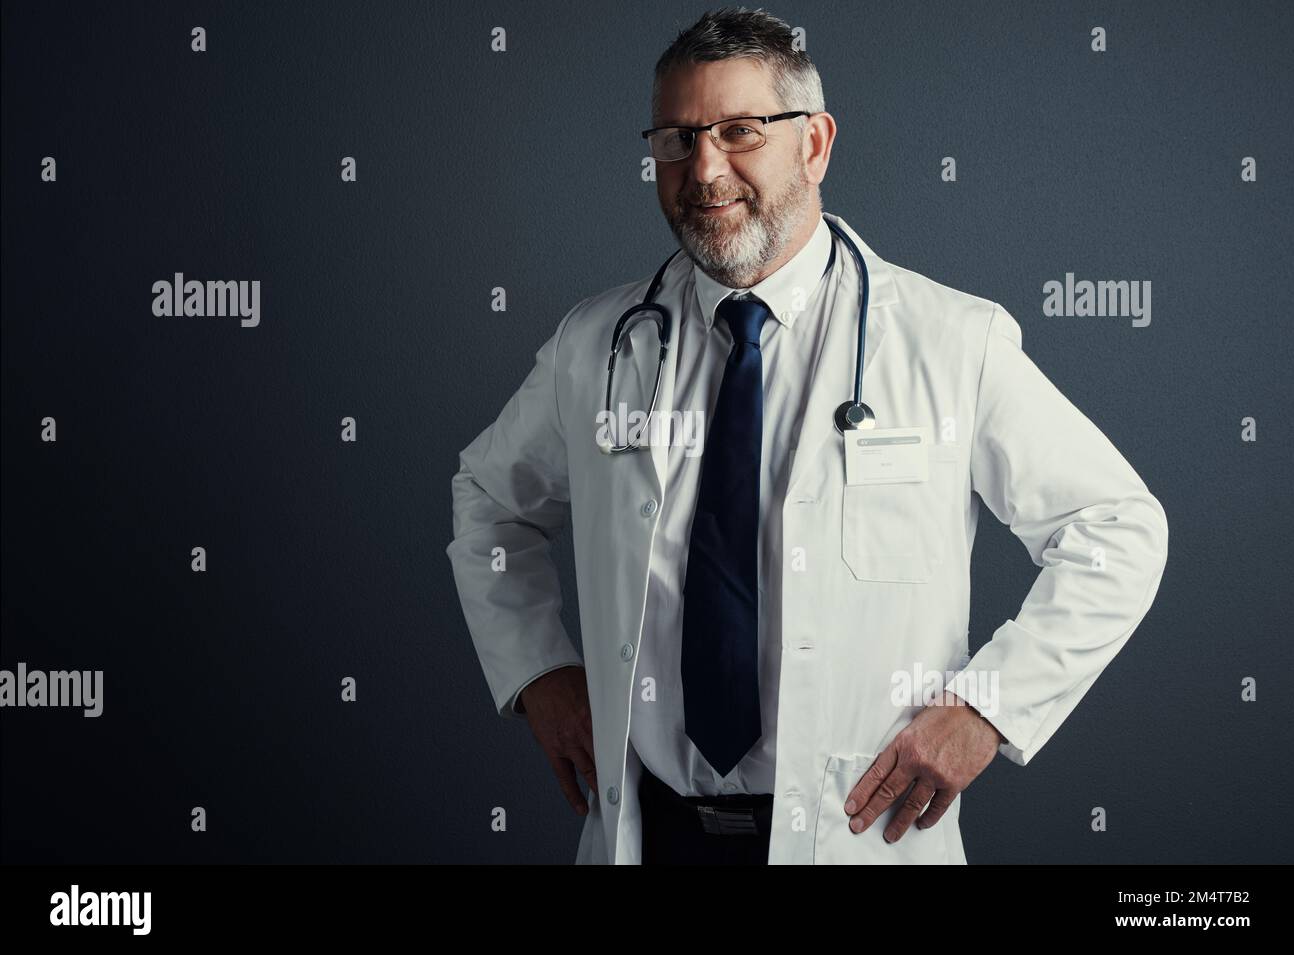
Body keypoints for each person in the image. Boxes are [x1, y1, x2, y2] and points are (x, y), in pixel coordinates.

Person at [445, 7, 1168, 865]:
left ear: (815, 144)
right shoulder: (596, 344)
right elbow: (490, 502)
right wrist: (539, 670)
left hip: (854, 836)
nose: (703, 168)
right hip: (649, 832)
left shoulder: (949, 342)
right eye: (676, 139)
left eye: (740, 131)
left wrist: (989, 705)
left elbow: (1118, 530)